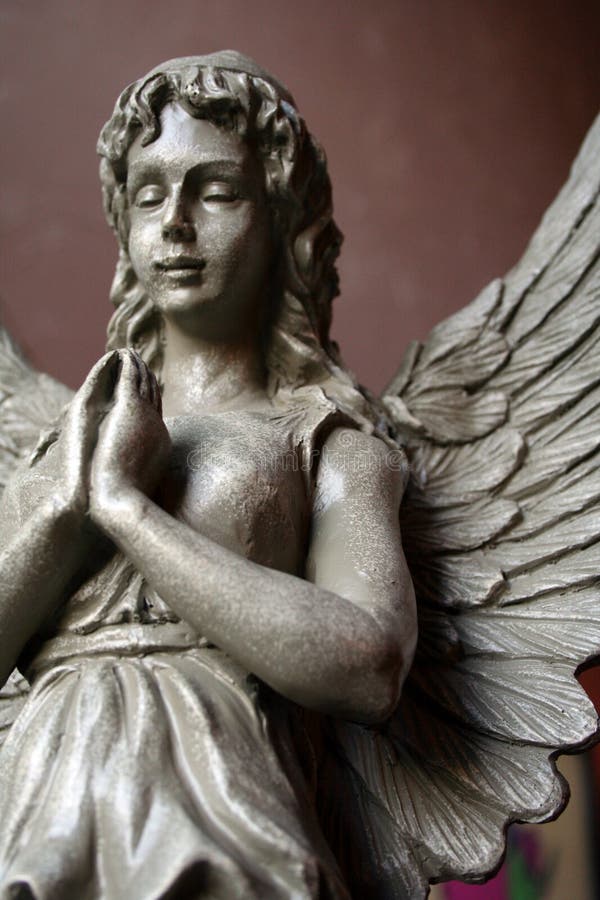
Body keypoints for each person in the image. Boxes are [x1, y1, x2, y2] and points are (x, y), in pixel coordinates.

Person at [0, 53, 416, 899]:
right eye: (148, 193)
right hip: (35, 807)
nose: (175, 223)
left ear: (282, 219)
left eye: (215, 191)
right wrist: (67, 500)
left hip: (222, 811)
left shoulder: (325, 442)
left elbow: (368, 665)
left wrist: (126, 510)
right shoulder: (67, 439)